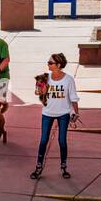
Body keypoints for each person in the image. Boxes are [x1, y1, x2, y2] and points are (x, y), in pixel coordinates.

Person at [30, 52, 78, 181]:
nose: (48, 65)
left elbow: (73, 98)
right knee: (43, 140)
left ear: (59, 65)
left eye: (51, 63)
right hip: (47, 113)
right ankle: (38, 167)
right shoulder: (44, 78)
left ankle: (64, 167)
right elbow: (37, 92)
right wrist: (41, 90)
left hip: (64, 114)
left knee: (62, 141)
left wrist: (75, 114)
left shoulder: (68, 80)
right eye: (48, 62)